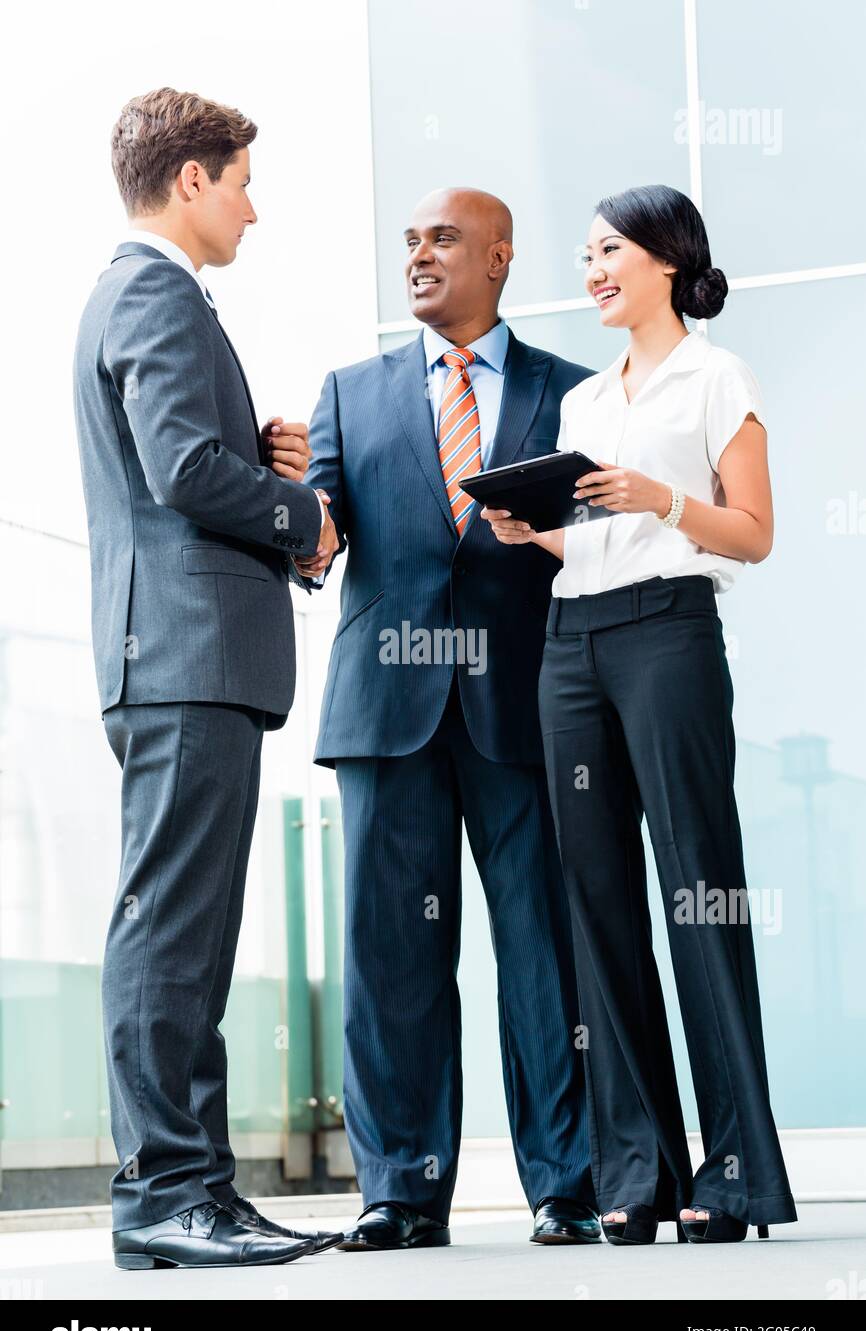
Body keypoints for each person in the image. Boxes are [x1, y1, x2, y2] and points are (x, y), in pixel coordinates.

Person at [482, 184, 798, 1245]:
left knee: (695, 889)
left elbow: (749, 533)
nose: (591, 270)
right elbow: (592, 540)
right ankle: (637, 1166)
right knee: (595, 900)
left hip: (669, 633)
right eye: (581, 256)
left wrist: (659, 498)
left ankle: (738, 1170)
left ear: (665, 259)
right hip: (570, 640)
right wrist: (534, 534)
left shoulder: (716, 377)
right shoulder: (581, 404)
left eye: (607, 250)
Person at [292, 187, 599, 1250]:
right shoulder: (348, 391)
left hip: (527, 706)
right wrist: (298, 526)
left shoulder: (576, 394)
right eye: (409, 242)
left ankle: (567, 1181)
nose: (418, 256)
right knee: (392, 960)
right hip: (387, 711)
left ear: (500, 258)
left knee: (543, 952)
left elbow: (600, 548)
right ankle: (401, 1189)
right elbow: (321, 534)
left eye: (443, 240)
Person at [73, 87, 342, 1268]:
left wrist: (262, 464)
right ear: (191, 179)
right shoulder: (151, 290)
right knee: (171, 927)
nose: (252, 207)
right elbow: (182, 469)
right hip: (183, 656)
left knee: (193, 932)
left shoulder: (155, 298)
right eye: (240, 180)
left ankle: (200, 1190)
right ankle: (164, 1194)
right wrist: (301, 509)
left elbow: (187, 462)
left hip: (194, 659)